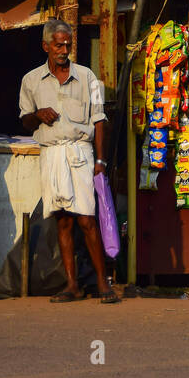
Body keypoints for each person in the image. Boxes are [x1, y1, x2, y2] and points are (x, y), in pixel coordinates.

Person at [19, 20, 118, 303]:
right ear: (46, 46)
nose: (64, 50)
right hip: (51, 154)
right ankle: (72, 284)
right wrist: (38, 114)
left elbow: (100, 121)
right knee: (62, 220)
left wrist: (100, 160)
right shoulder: (31, 80)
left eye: (68, 44)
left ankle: (102, 282)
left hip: (81, 152)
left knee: (87, 218)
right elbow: (25, 119)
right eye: (58, 45)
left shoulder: (89, 77)